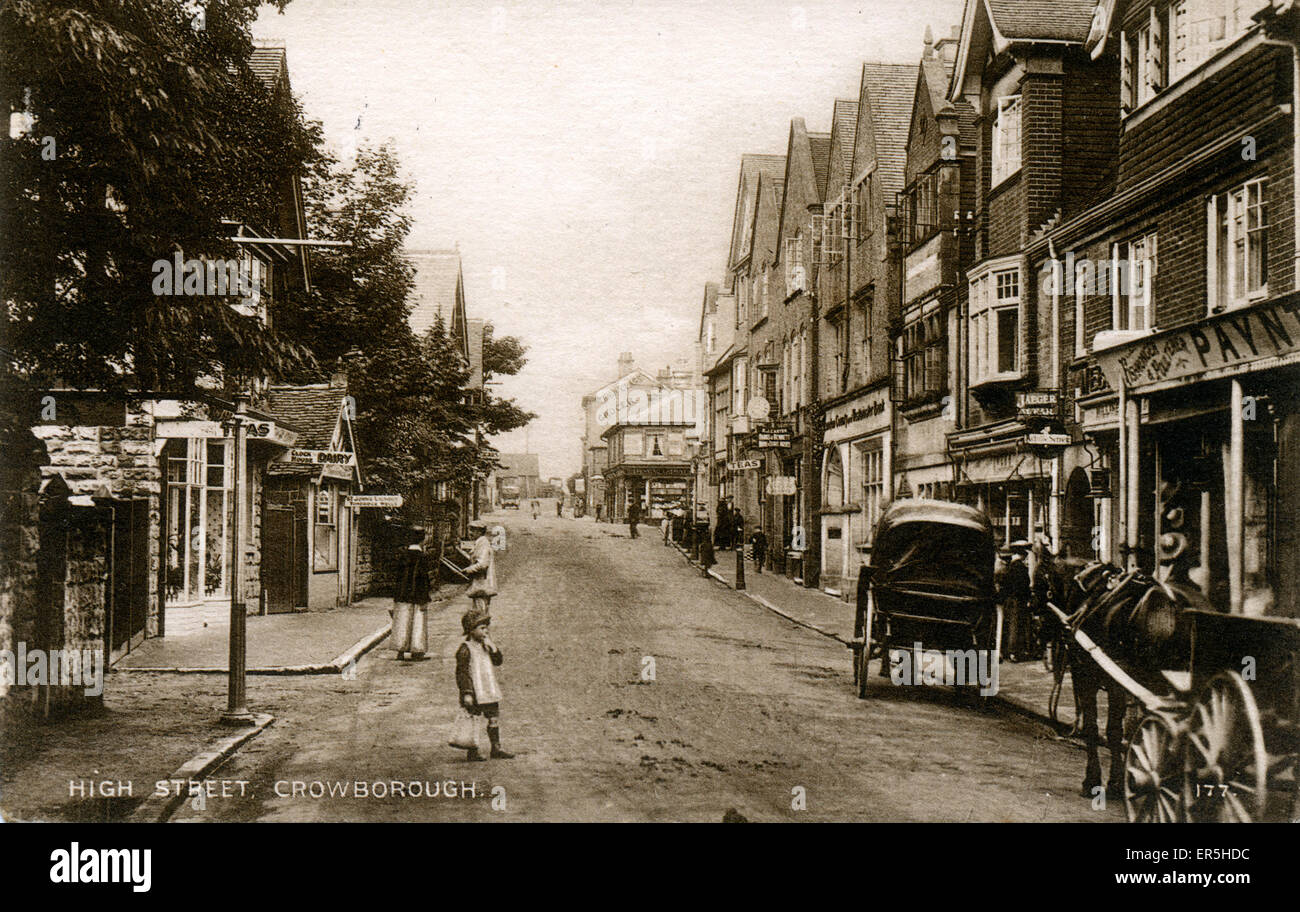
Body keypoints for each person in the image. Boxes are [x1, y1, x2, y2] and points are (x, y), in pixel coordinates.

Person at [455, 607, 513, 760]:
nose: (486, 631)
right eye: (482, 628)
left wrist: (493, 648)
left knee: (493, 717)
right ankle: (472, 751)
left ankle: (496, 748)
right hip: (475, 690)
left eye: (486, 627)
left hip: (488, 688)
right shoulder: (465, 649)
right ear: (471, 630)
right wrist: (467, 692)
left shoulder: (485, 646)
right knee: (474, 719)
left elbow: (498, 661)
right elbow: (462, 673)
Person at [392, 528, 433, 660]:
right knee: (418, 622)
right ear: (423, 539)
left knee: (402, 620)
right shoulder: (422, 557)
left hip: (402, 594)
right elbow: (424, 578)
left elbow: (397, 577)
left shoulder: (403, 555)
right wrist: (426, 594)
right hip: (418, 594)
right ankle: (417, 650)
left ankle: (400, 650)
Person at [464, 519, 497, 613]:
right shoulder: (480, 542)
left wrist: (469, 569)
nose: (470, 533)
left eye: (473, 530)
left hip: (482, 582)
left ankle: (482, 627)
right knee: (480, 608)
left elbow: (482, 564)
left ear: (479, 531)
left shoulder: (483, 543)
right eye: (470, 530)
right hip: (480, 582)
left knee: (481, 610)